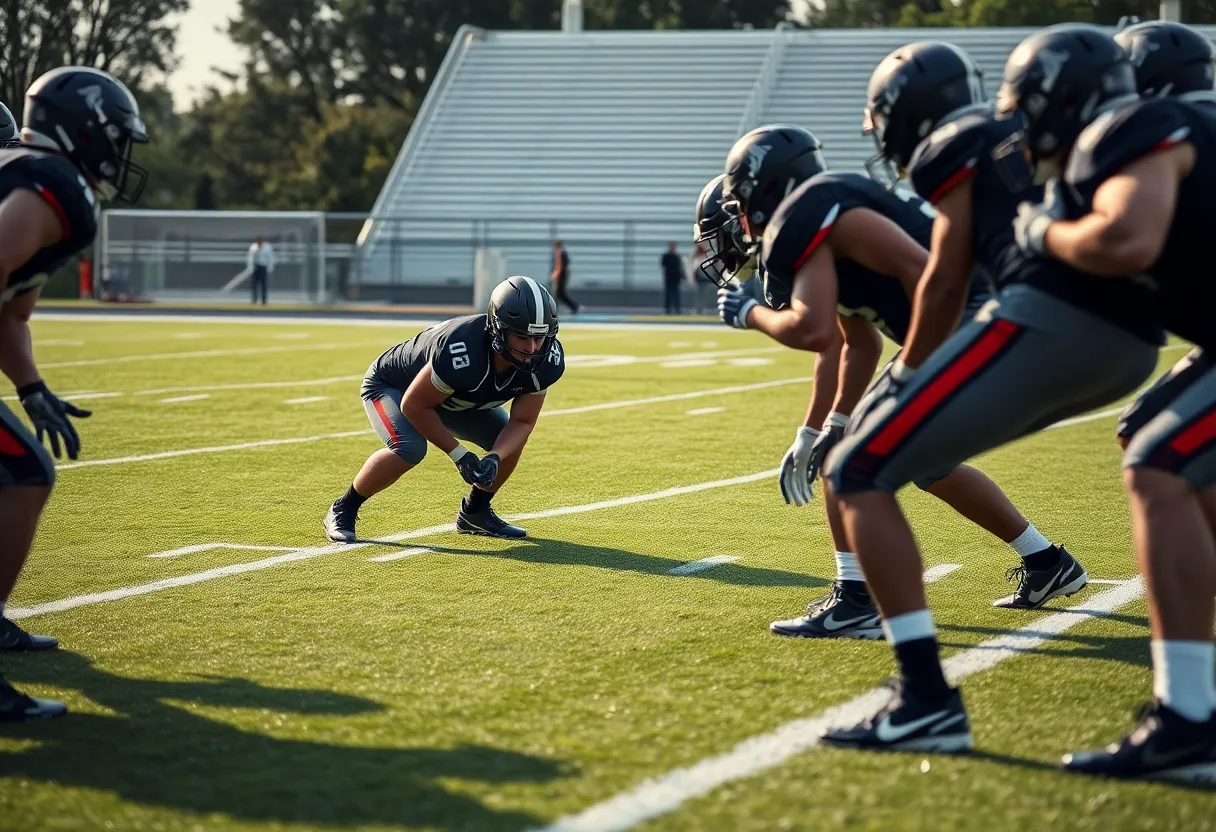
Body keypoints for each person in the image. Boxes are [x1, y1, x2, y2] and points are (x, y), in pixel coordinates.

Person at [817, 37, 1162, 753]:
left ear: (906, 113)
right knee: (1168, 465)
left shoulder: (962, 140)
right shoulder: (1031, 136)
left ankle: (923, 700)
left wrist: (909, 375)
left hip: (1052, 317)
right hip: (1134, 340)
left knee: (854, 467)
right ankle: (1184, 697)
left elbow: (943, 278)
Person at [708, 125, 1079, 642]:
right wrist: (822, 426)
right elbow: (855, 342)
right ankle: (1046, 561)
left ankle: (856, 601)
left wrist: (750, 314)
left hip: (975, 322)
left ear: (768, 190)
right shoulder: (823, 219)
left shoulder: (811, 213)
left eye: (738, 209)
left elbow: (823, 323)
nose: (740, 226)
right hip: (972, 323)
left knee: (850, 463)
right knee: (924, 463)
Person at [999, 23, 1216, 778]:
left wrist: (1043, 230)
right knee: (1152, 436)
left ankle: (1190, 722)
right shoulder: (1195, 128)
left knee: (1160, 461)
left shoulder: (1148, 127)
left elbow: (1124, 242)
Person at [0, 67, 149, 721]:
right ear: (81, 128)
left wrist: (30, 387)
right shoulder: (53, 183)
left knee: (24, 471)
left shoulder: (34, 173)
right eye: (112, 136)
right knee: (25, 472)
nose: (118, 152)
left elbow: (11, 314)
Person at [324, 276, 565, 543]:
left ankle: (476, 512)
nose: (532, 348)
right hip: (396, 387)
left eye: (539, 337)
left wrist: (495, 457)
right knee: (409, 449)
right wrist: (459, 455)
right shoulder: (462, 349)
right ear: (498, 328)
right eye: (522, 336)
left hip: (452, 397)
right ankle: (344, 507)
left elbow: (522, 422)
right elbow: (415, 406)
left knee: (507, 440)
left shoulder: (547, 361)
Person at [549, 240, 581, 315]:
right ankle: (573, 306)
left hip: (561, 276)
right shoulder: (563, 254)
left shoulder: (560, 254)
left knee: (559, 293)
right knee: (560, 294)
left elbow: (559, 266)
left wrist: (555, 275)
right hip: (563, 275)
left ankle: (573, 306)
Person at [247, 236, 274, 305]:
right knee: (254, 285)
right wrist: (250, 268)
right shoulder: (253, 247)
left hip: (263, 266)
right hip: (255, 267)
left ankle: (264, 300)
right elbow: (250, 258)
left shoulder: (267, 247)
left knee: (263, 284)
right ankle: (254, 300)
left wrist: (270, 267)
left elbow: (270, 257)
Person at [661, 242, 684, 315]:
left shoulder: (676, 257)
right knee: (668, 294)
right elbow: (663, 266)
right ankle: (668, 309)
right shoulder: (666, 256)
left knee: (676, 294)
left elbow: (680, 268)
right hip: (668, 277)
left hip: (676, 278)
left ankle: (677, 308)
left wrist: (682, 276)